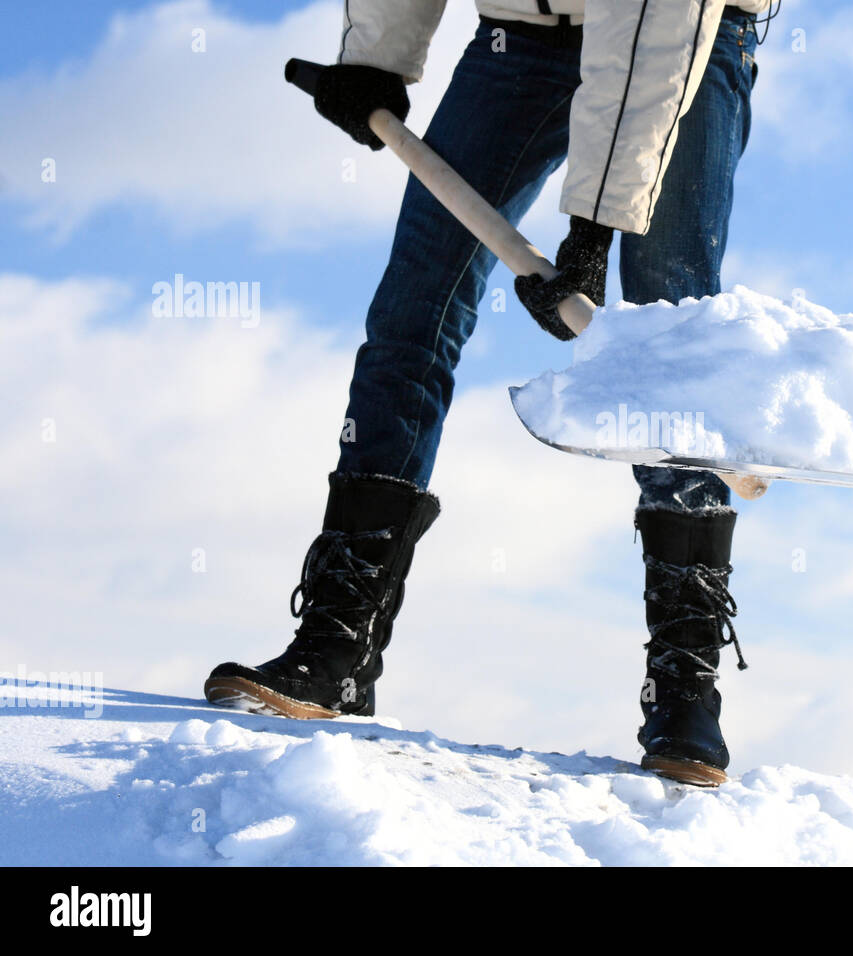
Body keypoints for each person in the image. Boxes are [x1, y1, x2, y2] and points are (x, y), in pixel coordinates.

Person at [204, 0, 770, 787]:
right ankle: (338, 644)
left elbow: (653, 17)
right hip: (519, 38)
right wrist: (379, 51)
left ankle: (683, 683)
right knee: (413, 306)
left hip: (683, 42)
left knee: (666, 337)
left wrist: (594, 224)